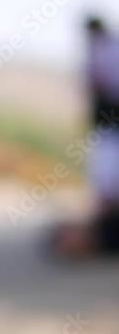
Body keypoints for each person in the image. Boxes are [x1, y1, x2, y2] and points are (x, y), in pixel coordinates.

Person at [52, 16, 119, 258]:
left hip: (110, 125)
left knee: (107, 180)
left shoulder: (106, 51)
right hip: (105, 126)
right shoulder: (97, 52)